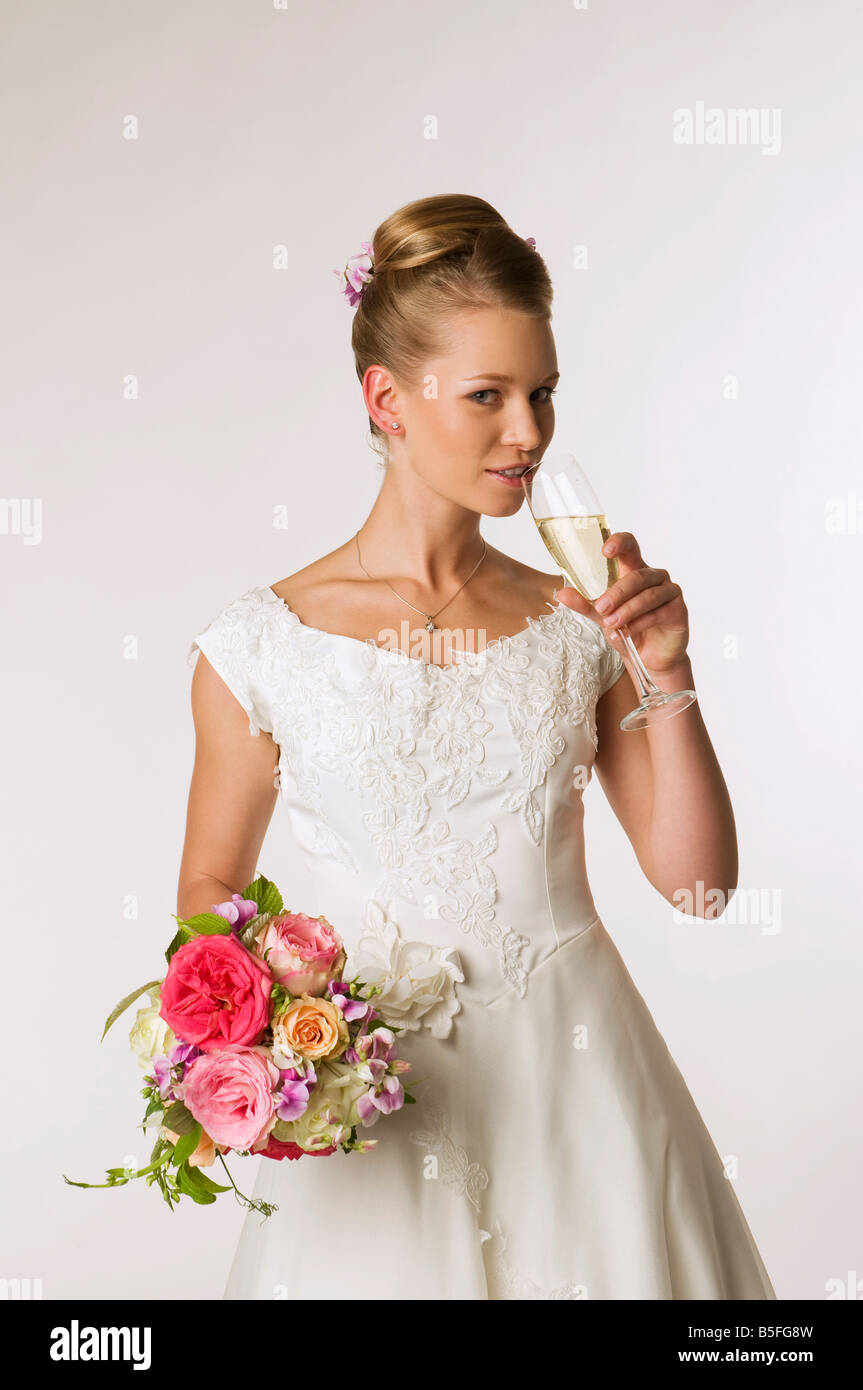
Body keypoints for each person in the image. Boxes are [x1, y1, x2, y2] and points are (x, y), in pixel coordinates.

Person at [181, 193, 776, 1300]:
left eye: (542, 392)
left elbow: (697, 887)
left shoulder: (575, 619)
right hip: (379, 1115)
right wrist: (285, 1044)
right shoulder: (257, 646)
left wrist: (668, 673)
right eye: (488, 397)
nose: (529, 433)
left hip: (581, 1096)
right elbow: (210, 889)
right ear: (387, 399)